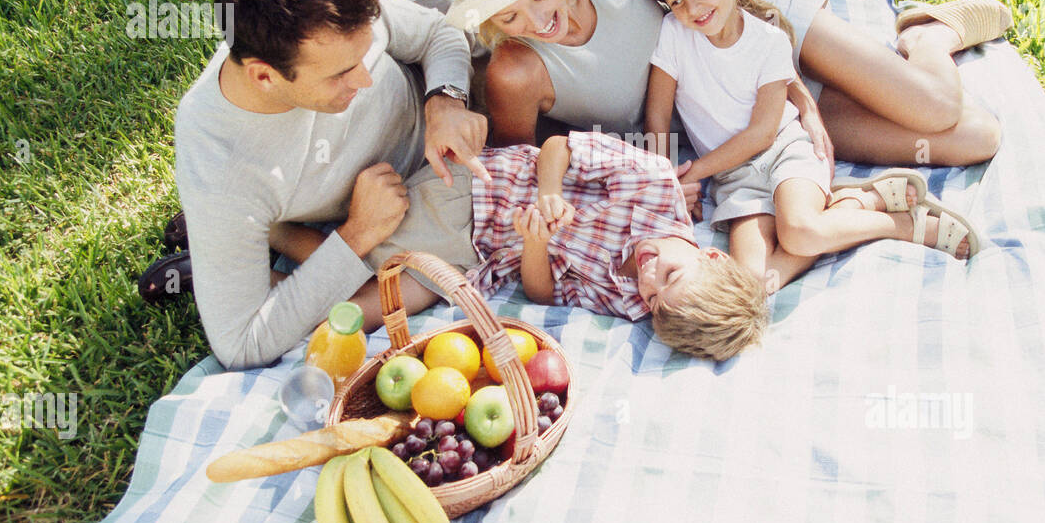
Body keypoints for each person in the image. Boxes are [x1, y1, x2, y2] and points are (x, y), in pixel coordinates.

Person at [440, 0, 1010, 180]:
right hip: (738, 107)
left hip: (765, 30)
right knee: (975, 137)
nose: (539, 21)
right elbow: (524, 166)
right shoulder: (515, 72)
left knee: (934, 106)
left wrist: (804, 100)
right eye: (508, 16)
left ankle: (929, 33)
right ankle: (918, 45)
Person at [173, 0, 489, 370]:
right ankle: (240, 250)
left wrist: (445, 101)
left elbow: (437, 34)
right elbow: (241, 345)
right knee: (434, 268)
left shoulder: (335, 16)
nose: (365, 79)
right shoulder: (223, 166)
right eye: (342, 74)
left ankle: (261, 241)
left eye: (366, 56)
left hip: (454, 115)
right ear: (265, 77)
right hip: (410, 201)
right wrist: (359, 232)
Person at [642, 0, 978, 296]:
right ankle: (857, 202)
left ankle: (899, 225)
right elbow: (657, 116)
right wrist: (665, 175)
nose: (693, 8)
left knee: (799, 232)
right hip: (734, 177)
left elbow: (762, 133)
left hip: (786, 152)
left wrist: (692, 173)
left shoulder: (768, 41)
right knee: (752, 282)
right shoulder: (674, 32)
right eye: (677, 1)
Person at [270, 130, 773, 362]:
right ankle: (266, 232)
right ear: (712, 254)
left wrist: (536, 244)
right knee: (366, 272)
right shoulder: (653, 183)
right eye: (669, 275)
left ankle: (276, 294)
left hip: (479, 259)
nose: (647, 280)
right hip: (477, 196)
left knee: (386, 302)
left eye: (653, 297)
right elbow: (558, 148)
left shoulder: (633, 304)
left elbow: (543, 294)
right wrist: (549, 195)